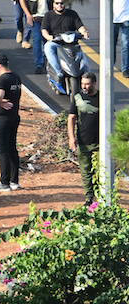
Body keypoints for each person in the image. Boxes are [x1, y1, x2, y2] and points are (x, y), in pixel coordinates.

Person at [0, 53, 22, 192]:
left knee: (1, 151)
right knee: (11, 149)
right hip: (13, 117)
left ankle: (4, 182)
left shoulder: (2, 81)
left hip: (0, 120)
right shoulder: (15, 77)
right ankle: (14, 180)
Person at [42, 0, 90, 93]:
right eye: (57, 3)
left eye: (62, 3)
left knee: (86, 65)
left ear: (65, 4)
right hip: (56, 43)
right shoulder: (49, 15)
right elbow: (44, 30)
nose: (59, 5)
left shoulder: (72, 14)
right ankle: (58, 72)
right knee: (48, 47)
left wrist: (84, 33)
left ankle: (88, 82)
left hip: (72, 44)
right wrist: (49, 37)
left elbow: (80, 26)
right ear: (53, 5)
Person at [67, 72, 100, 205]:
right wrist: (71, 138)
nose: (84, 87)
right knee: (85, 171)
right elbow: (71, 117)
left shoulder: (102, 97)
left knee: (100, 170)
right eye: (82, 84)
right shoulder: (78, 98)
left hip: (100, 142)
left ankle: (101, 196)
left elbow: (112, 117)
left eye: (87, 84)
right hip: (83, 141)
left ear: (94, 83)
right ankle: (89, 197)